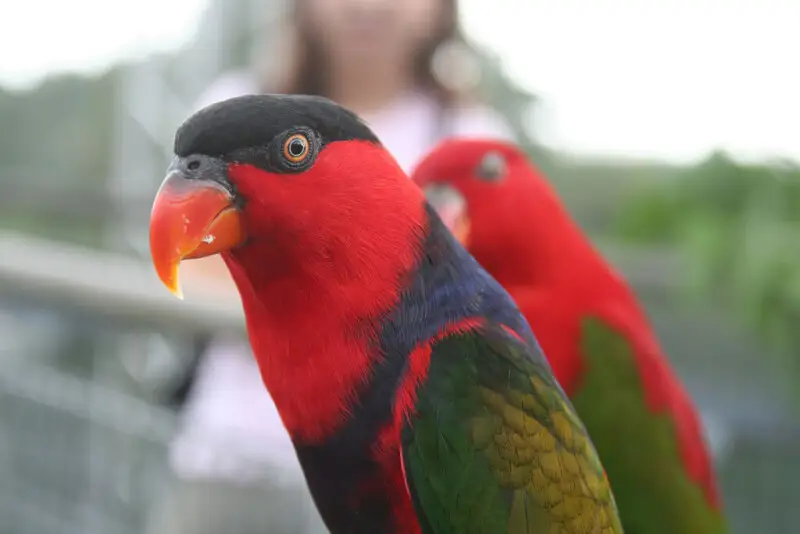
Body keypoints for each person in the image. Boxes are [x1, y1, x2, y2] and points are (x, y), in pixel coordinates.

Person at [147, 0, 515, 532]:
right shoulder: (232, 107)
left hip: (404, 473)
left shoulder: (471, 136)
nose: (369, 5)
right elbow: (192, 272)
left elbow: (478, 297)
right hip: (233, 454)